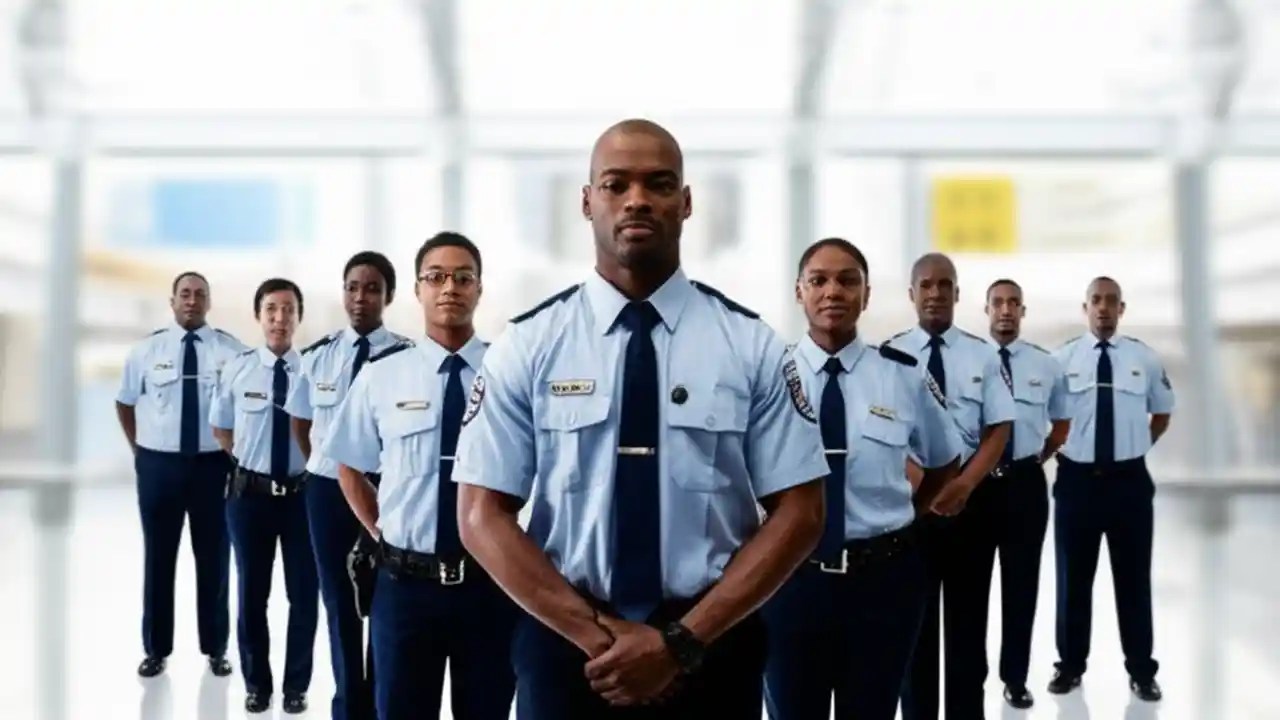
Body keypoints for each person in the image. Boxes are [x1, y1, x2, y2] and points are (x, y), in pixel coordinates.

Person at [452, 119, 829, 720]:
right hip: (567, 650)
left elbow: (802, 511)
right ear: (586, 201)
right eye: (615, 184)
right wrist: (603, 639)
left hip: (712, 647)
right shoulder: (527, 345)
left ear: (685, 202)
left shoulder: (751, 344)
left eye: (658, 184)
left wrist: (679, 643)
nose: (637, 200)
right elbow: (480, 514)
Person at [763, 238, 963, 720]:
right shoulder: (767, 378)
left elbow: (943, 462)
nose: (833, 291)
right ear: (799, 292)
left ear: (867, 294)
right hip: (790, 578)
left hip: (883, 583)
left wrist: (904, 514)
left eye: (848, 280)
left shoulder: (903, 375)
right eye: (819, 280)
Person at [324, 232, 519, 720]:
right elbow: (348, 464)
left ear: (479, 289)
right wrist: (381, 532)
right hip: (405, 588)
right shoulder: (383, 375)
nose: (449, 287)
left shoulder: (509, 374)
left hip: (493, 586)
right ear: (417, 290)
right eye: (436, 277)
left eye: (462, 277)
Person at [886, 252, 1015, 720]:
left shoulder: (983, 355)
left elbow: (998, 429)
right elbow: (878, 430)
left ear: (958, 294)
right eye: (926, 285)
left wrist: (963, 486)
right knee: (916, 633)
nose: (936, 294)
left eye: (945, 285)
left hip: (971, 511)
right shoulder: (890, 356)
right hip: (912, 513)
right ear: (912, 295)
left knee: (967, 629)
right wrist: (921, 483)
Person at [284, 252, 406, 720]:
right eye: (353, 287)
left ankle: (380, 699)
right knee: (337, 598)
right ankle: (347, 704)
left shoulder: (405, 357)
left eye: (372, 288)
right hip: (326, 491)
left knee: (385, 595)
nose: (361, 297)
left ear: (389, 296)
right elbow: (302, 422)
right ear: (343, 292)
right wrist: (326, 463)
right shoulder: (317, 357)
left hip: (385, 488)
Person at [1048, 276, 1173, 703]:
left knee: (1133, 580)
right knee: (1072, 581)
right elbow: (1047, 417)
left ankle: (1142, 670)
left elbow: (1161, 413)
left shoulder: (1144, 358)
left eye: (1112, 302)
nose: (1103, 308)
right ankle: (1069, 668)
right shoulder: (1061, 360)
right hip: (1077, 483)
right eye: (1096, 301)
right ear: (1085, 308)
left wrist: (1135, 445)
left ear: (1122, 309)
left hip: (1129, 484)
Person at [116, 271, 246, 679]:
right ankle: (156, 649)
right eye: (185, 294)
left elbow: (246, 410)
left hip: (212, 467)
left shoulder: (232, 353)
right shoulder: (145, 350)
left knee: (214, 557)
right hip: (159, 466)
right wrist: (140, 451)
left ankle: (216, 648)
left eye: (200, 295)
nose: (192, 301)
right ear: (171, 301)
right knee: (159, 557)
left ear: (209, 303)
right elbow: (125, 402)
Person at [210, 278, 318, 714]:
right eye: (271, 309)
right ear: (259, 315)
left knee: (303, 595)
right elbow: (222, 429)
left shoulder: (313, 370)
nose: (280, 318)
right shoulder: (237, 368)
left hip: (301, 499)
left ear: (298, 317)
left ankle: (296, 687)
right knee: (252, 594)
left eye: (288, 309)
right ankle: (257, 684)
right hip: (249, 499)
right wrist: (251, 463)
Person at [976, 278, 1072, 710]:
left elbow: (1062, 424)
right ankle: (969, 676)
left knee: (1022, 586)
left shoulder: (1045, 365)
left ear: (1023, 311)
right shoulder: (969, 361)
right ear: (986, 310)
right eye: (998, 303)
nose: (1006, 310)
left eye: (1014, 303)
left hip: (1024, 486)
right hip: (975, 488)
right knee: (970, 588)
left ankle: (1015, 678)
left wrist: (1036, 458)